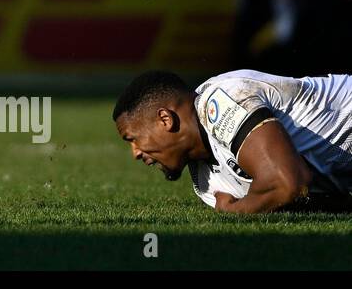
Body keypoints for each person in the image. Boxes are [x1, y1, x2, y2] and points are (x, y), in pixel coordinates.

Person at [113, 70, 352, 214]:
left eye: (132, 138)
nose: (135, 152)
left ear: (165, 119)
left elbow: (287, 183)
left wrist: (236, 210)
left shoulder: (221, 99)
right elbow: (302, 199)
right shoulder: (207, 186)